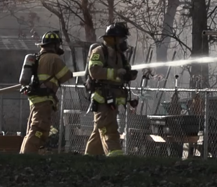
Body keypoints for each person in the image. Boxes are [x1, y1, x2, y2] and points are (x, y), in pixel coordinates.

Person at [83, 22, 137, 157]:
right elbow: (94, 71)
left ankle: (90, 157)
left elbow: (124, 70)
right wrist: (116, 73)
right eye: (122, 39)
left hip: (114, 97)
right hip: (103, 97)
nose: (124, 42)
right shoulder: (99, 51)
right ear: (112, 39)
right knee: (109, 128)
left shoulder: (120, 55)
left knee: (99, 129)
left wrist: (129, 74)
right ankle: (115, 156)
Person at [20, 31, 73, 154]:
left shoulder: (38, 57)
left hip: (35, 98)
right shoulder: (54, 58)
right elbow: (66, 75)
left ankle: (25, 154)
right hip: (44, 99)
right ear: (54, 45)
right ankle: (27, 156)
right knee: (38, 129)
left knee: (33, 128)